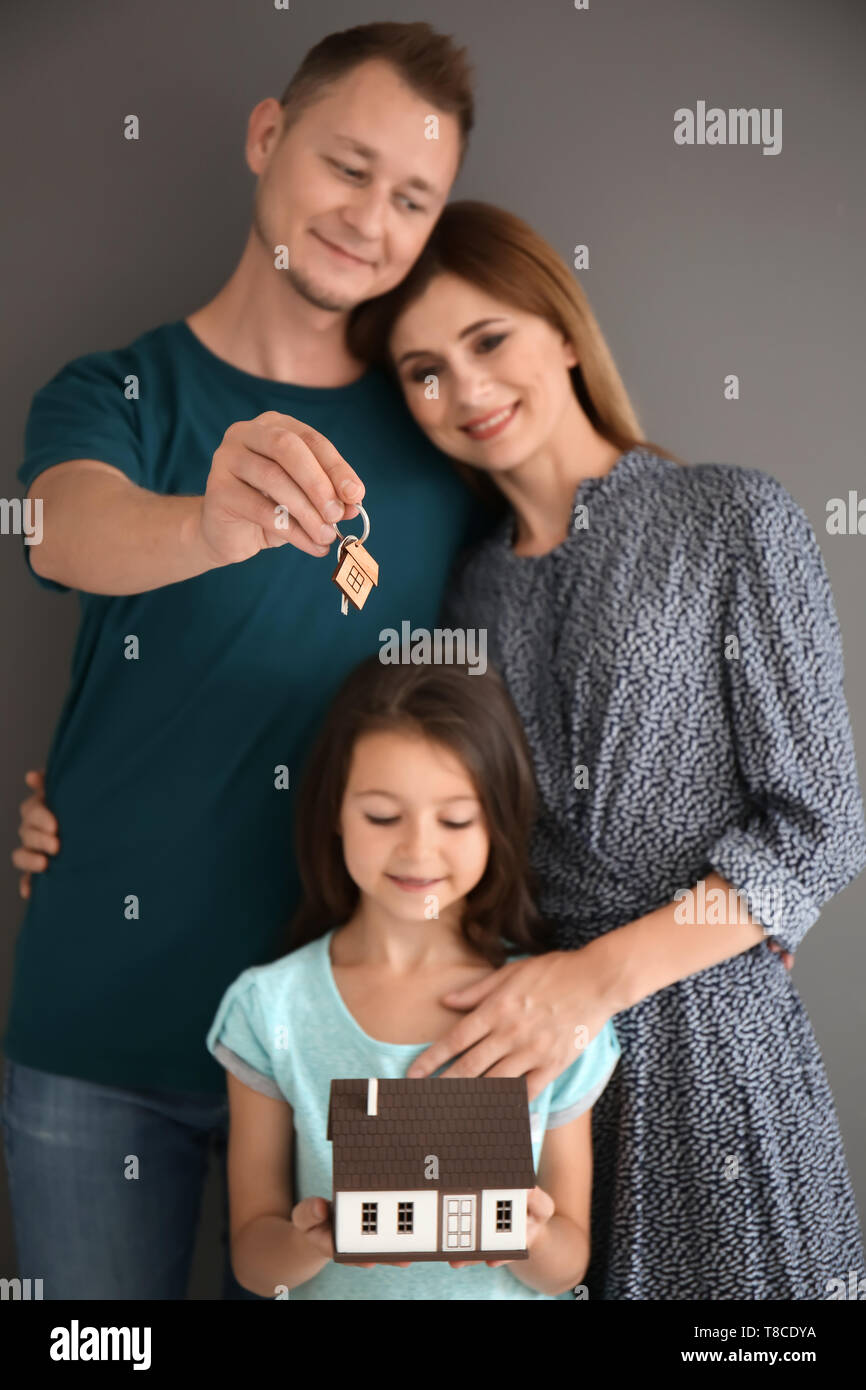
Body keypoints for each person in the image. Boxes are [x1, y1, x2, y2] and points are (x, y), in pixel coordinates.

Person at [2, 22, 489, 1300]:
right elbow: (62, 526)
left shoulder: (440, 432)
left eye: (411, 199)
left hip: (362, 1052)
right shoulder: (114, 392)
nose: (368, 219)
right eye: (347, 165)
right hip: (99, 1030)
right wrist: (209, 526)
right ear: (268, 136)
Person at [338, 199, 866, 1299]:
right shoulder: (460, 589)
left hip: (709, 1053)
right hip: (516, 1060)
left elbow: (819, 827)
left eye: (488, 341)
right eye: (423, 371)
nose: (466, 391)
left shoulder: (732, 515)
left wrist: (591, 981)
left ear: (563, 331)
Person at [207, 656, 621, 1300]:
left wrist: (533, 1234)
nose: (418, 850)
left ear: (496, 824)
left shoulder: (548, 1012)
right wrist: (307, 1241)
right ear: (336, 813)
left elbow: (568, 1264)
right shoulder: (271, 1008)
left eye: (455, 821)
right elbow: (254, 1259)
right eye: (381, 816)